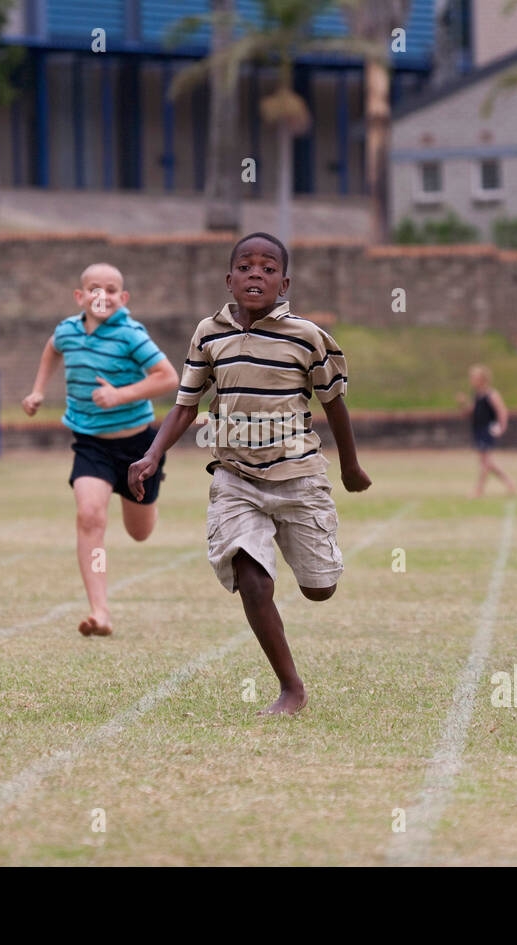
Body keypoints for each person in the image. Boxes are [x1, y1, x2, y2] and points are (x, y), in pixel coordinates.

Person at [127, 232, 372, 716]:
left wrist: (350, 465)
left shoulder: (306, 336)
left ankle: (297, 543)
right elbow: (184, 406)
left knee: (319, 590)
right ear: (229, 279)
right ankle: (291, 689)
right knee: (252, 579)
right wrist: (153, 455)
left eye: (265, 267)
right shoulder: (209, 333)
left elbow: (334, 405)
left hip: (298, 476)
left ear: (284, 281)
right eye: (244, 266)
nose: (254, 274)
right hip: (235, 477)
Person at [21, 262, 179, 636]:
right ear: (80, 296)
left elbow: (168, 377)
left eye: (111, 290)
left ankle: (150, 496)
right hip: (90, 443)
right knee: (90, 516)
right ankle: (100, 611)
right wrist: (38, 390)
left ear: (123, 299)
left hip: (138, 447)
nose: (102, 295)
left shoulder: (131, 334)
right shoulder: (68, 330)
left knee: (139, 532)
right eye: (94, 288)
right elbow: (51, 349)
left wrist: (119, 394)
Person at [456, 365, 515, 497]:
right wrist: (463, 403)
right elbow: (470, 412)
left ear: (483, 379)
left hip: (488, 430)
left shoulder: (492, 394)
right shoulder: (477, 395)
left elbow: (502, 411)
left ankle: (479, 490)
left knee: (485, 462)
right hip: (478, 430)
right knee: (487, 463)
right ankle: (510, 482)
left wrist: (502, 427)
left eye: (474, 377)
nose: (471, 380)